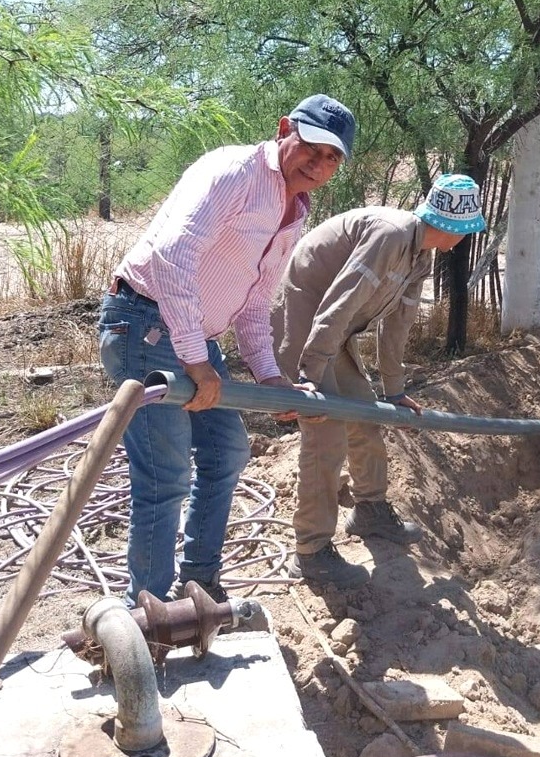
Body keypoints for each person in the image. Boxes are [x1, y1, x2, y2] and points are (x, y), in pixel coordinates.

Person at [98, 94, 356, 604]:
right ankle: (146, 610)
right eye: (313, 147)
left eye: (333, 158)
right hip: (146, 326)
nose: (319, 164)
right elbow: (171, 258)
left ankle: (200, 583)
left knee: (227, 453)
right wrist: (196, 361)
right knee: (166, 475)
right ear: (285, 129)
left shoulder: (294, 210)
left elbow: (255, 305)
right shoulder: (233, 171)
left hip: (193, 336)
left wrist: (270, 378)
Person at [273, 174, 487, 589]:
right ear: (454, 228)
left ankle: (369, 510)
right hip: (304, 320)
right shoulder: (390, 236)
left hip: (334, 331)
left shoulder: (420, 255)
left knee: (366, 417)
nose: (464, 241)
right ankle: (311, 551)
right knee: (326, 431)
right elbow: (340, 302)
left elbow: (397, 326)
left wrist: (395, 392)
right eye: (466, 231)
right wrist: (310, 378)